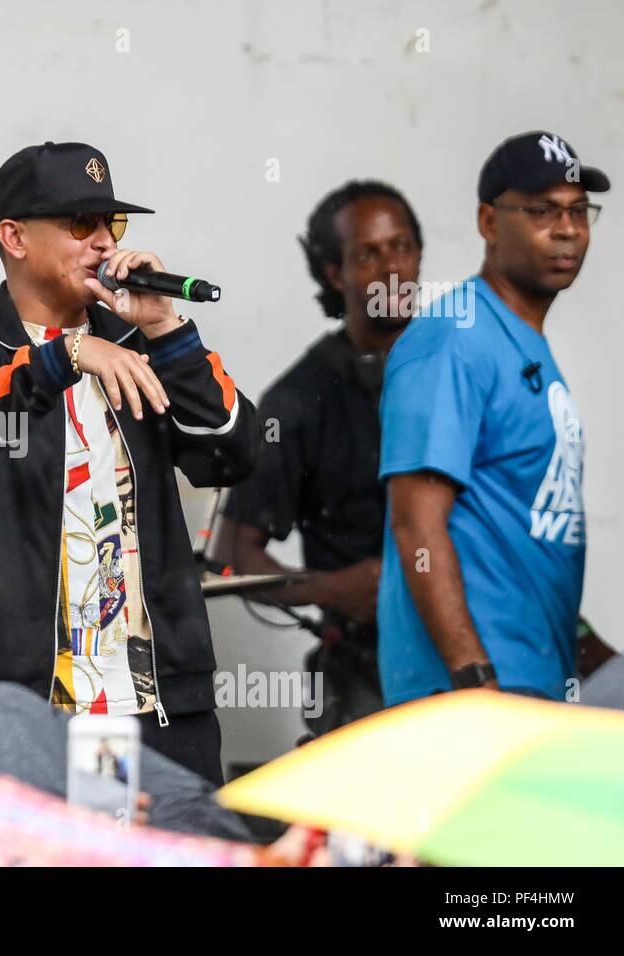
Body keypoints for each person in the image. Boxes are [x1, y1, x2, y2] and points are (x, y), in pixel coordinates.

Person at [0, 141, 259, 784]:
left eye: (111, 225)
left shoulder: (139, 346)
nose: (103, 242)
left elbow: (234, 452)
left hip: (157, 708)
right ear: (13, 236)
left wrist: (166, 328)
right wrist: (66, 355)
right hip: (16, 708)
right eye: (79, 224)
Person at [377, 130, 609, 704]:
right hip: (474, 689)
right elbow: (417, 522)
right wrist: (473, 677)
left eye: (579, 212)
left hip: (528, 678)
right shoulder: (453, 338)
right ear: (488, 222)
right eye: (542, 211)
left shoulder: (520, 341)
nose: (567, 229)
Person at [214, 181, 423, 734]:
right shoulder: (301, 400)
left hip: (480, 652)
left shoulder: (461, 366)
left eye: (402, 246)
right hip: (366, 672)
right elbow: (231, 551)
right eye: (368, 254)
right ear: (335, 274)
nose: (392, 267)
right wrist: (337, 589)